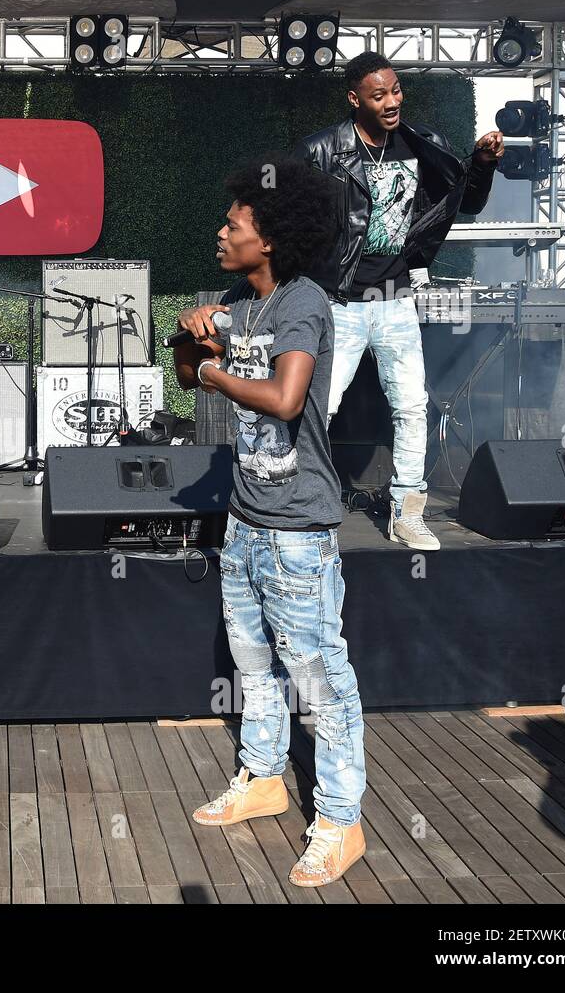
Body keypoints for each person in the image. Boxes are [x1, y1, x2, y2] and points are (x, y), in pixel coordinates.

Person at [173, 155, 367, 887]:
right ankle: (262, 779)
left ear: (271, 239)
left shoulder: (302, 302)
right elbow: (190, 375)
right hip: (247, 520)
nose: (222, 233)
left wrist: (216, 367)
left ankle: (341, 821)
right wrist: (193, 333)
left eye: (235, 225)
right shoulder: (238, 301)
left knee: (319, 681)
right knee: (254, 670)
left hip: (298, 532)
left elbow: (285, 401)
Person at [296, 51, 504, 549]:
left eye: (395, 91)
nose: (391, 102)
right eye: (378, 95)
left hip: (395, 300)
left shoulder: (422, 144)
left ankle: (407, 511)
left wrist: (481, 165)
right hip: (341, 302)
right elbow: (289, 223)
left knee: (412, 408)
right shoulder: (322, 151)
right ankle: (304, 502)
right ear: (355, 98)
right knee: (317, 408)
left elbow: (466, 203)